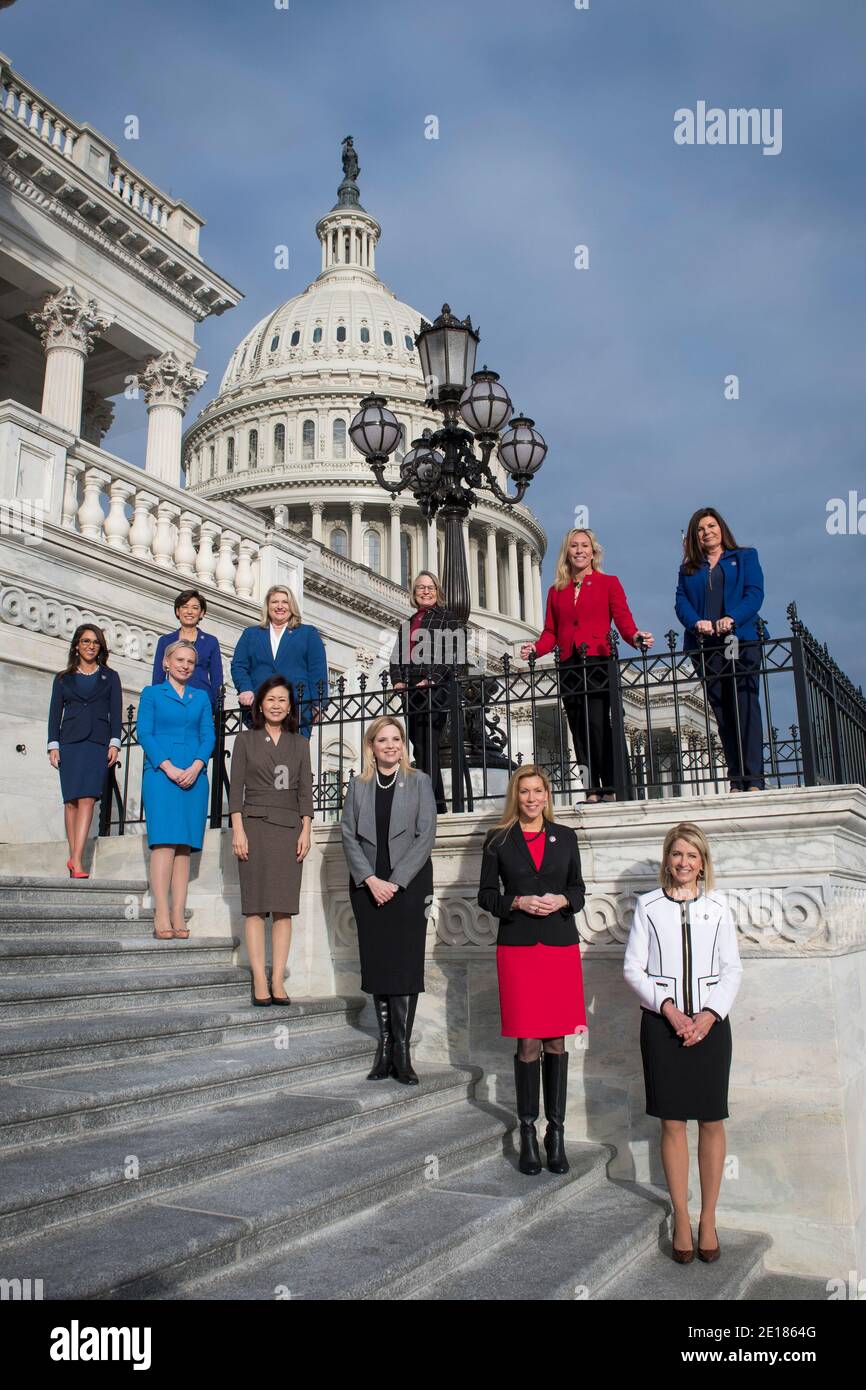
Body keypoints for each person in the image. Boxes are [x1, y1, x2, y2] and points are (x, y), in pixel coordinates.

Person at [623, 821, 742, 1263]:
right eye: (677, 854)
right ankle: (680, 1214)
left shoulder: (718, 906)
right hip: (662, 1026)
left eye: (692, 856)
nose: (684, 863)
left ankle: (708, 1218)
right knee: (671, 1122)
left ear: (703, 862)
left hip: (711, 1028)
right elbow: (634, 969)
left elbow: (732, 969)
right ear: (667, 860)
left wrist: (709, 1015)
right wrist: (670, 1009)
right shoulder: (649, 907)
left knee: (712, 1120)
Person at [477, 765, 587, 1176]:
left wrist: (561, 901)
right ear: (515, 796)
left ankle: (554, 1135)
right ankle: (527, 1133)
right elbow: (486, 896)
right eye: (524, 791)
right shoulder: (498, 840)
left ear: (547, 795)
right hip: (519, 948)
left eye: (538, 791)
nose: (532, 798)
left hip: (558, 947)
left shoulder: (567, 837)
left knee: (556, 1043)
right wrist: (517, 903)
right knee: (527, 1044)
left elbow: (577, 889)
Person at [520, 529, 653, 802]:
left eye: (584, 546)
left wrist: (636, 637)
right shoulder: (556, 591)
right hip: (569, 663)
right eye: (574, 546)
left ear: (594, 552)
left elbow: (623, 620)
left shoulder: (608, 583)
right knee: (578, 729)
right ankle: (591, 789)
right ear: (567, 553)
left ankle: (611, 787)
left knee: (598, 724)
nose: (579, 550)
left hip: (597, 659)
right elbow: (550, 632)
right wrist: (536, 648)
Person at [340, 716, 437, 1085]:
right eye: (383, 740)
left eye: (396, 739)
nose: (391, 745)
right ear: (372, 746)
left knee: (405, 966)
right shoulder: (358, 785)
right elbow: (348, 834)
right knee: (379, 965)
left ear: (403, 745)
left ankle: (403, 1053)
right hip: (367, 885)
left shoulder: (419, 781)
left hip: (408, 886)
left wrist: (394, 883)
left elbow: (426, 835)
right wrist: (369, 879)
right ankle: (384, 1050)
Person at [229, 676, 313, 1006]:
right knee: (254, 908)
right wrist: (238, 829)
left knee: (282, 910)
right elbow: (236, 790)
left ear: (290, 706)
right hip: (253, 827)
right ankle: (258, 979)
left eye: (282, 700)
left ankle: (277, 978)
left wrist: (306, 829)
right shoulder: (245, 740)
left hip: (289, 828)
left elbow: (305, 791)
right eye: (270, 699)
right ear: (260, 704)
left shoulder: (300, 744)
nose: (276, 705)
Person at [675, 507, 766, 792]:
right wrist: (696, 623)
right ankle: (736, 778)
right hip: (708, 645)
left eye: (711, 526)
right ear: (695, 536)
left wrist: (733, 617)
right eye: (701, 529)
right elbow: (681, 603)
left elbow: (754, 594)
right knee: (722, 711)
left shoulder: (744, 557)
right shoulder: (689, 569)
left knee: (745, 705)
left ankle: (754, 779)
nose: (707, 532)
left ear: (721, 529)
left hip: (739, 639)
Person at [137, 640, 216, 939]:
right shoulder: (152, 694)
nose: (185, 665)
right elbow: (144, 732)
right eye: (179, 660)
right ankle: (161, 912)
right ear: (166, 663)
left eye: (190, 662)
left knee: (185, 846)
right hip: (161, 774)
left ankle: (178, 913)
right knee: (164, 842)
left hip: (195, 776)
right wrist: (168, 766)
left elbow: (207, 735)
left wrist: (196, 766)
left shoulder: (201, 697)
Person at [47, 624, 122, 878]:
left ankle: (77, 860)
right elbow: (54, 713)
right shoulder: (63, 678)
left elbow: (116, 711)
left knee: (88, 798)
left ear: (100, 647)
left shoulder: (110, 677)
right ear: (76, 645)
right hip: (69, 743)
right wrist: (53, 745)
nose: (91, 646)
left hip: (97, 743)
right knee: (71, 802)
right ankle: (73, 857)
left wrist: (115, 742)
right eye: (86, 641)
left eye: (95, 642)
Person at [389, 571, 463, 813]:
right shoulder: (408, 623)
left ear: (438, 591)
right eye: (420, 587)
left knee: (429, 742)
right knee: (417, 743)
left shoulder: (447, 618)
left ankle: (430, 802)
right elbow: (396, 656)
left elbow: (453, 651)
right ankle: (436, 803)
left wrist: (432, 678)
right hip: (412, 687)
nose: (425, 591)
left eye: (430, 587)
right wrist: (398, 681)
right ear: (414, 593)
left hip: (435, 687)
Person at [231, 585, 328, 736]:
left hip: (298, 708)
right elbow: (239, 665)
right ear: (267, 606)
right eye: (275, 602)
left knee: (291, 756)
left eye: (285, 602)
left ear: (292, 606)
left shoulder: (308, 633)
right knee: (262, 756)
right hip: (259, 707)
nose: (280, 606)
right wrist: (245, 688)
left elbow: (317, 670)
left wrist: (319, 704)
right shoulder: (251, 634)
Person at [151, 589, 223, 707]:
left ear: (201, 613)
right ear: (178, 611)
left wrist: (219, 709)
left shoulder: (211, 642)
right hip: (172, 700)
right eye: (185, 607)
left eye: (195, 608)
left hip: (202, 701)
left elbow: (217, 680)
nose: (189, 611)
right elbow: (158, 678)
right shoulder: (165, 641)